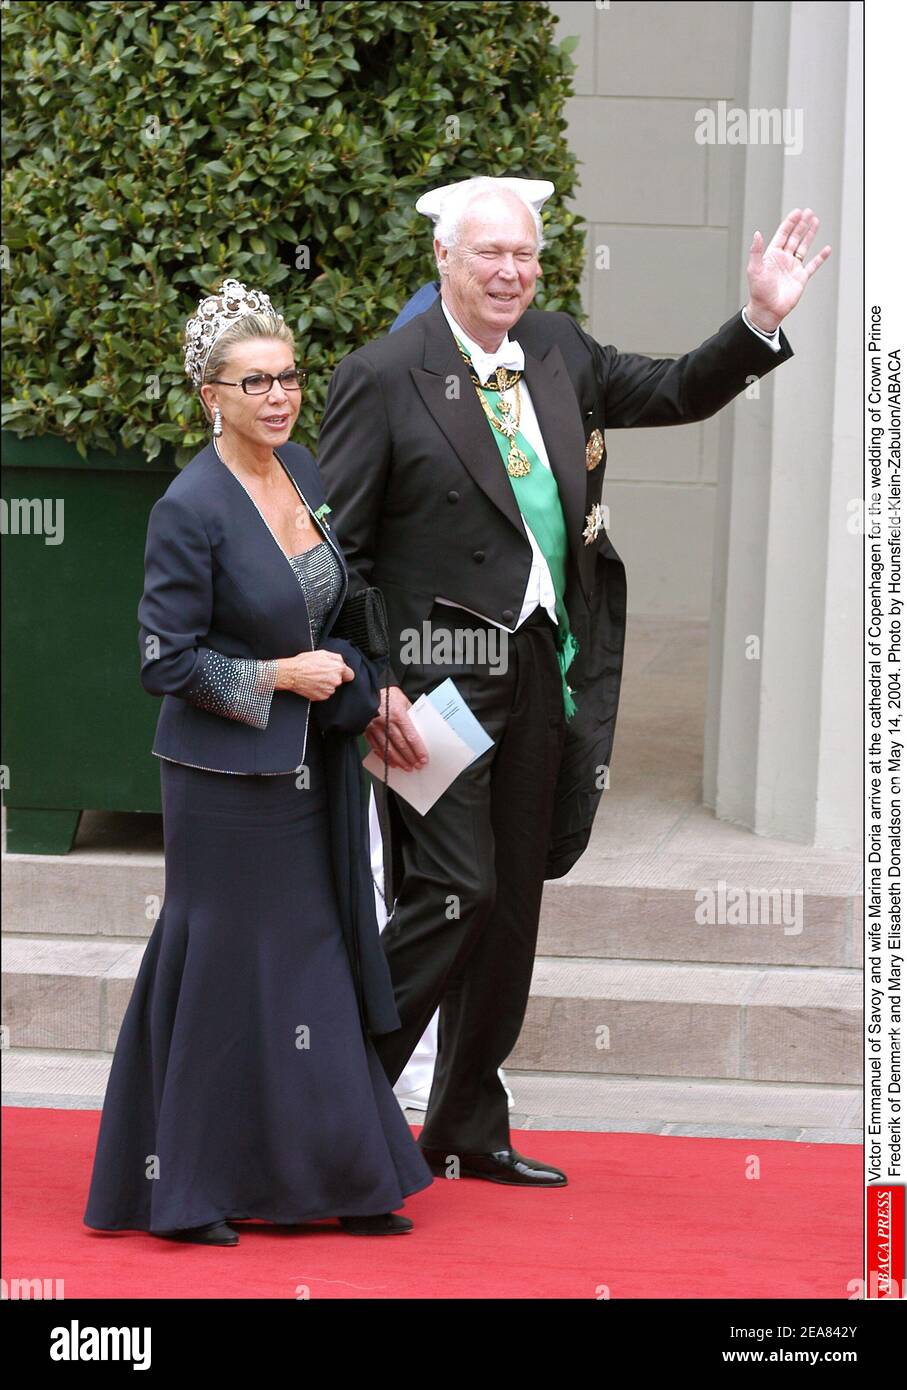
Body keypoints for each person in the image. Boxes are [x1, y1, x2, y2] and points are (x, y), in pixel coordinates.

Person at [316, 175, 831, 1186]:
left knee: (510, 904)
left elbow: (677, 388)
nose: (509, 271)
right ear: (443, 262)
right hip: (434, 687)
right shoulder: (383, 374)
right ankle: (333, 1101)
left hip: (538, 669)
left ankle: (465, 1120)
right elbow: (341, 551)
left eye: (523, 254)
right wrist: (368, 678)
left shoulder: (556, 347)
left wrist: (757, 322)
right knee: (453, 890)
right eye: (488, 255)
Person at [83, 279, 433, 1245]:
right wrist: (277, 675)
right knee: (230, 972)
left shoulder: (306, 472)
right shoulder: (187, 506)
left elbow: (345, 600)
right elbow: (164, 659)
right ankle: (185, 1187)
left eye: (286, 377)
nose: (278, 397)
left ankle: (346, 1175)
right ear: (213, 396)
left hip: (310, 771)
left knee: (312, 965)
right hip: (223, 787)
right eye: (254, 383)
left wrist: (374, 684)